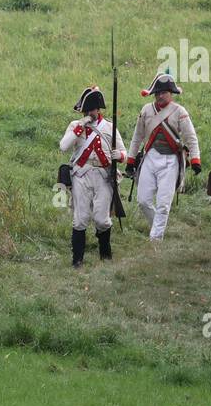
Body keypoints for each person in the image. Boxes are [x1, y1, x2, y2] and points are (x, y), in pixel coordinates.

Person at [127, 73, 201, 242]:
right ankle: (157, 227)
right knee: (143, 200)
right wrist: (131, 160)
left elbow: (191, 138)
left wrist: (195, 159)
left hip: (170, 161)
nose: (160, 96)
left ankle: (155, 239)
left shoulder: (179, 112)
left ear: (171, 93)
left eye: (164, 92)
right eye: (157, 93)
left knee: (163, 204)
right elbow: (137, 137)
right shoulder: (146, 110)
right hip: (150, 157)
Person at [60, 86, 127, 268]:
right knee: (80, 218)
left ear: (99, 109)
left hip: (103, 175)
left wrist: (118, 156)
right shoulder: (76, 126)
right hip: (81, 174)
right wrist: (79, 127)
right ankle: (77, 260)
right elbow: (63, 147)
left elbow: (124, 153)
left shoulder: (110, 128)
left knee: (101, 219)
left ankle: (105, 254)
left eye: (93, 109)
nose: (91, 112)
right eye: (87, 109)